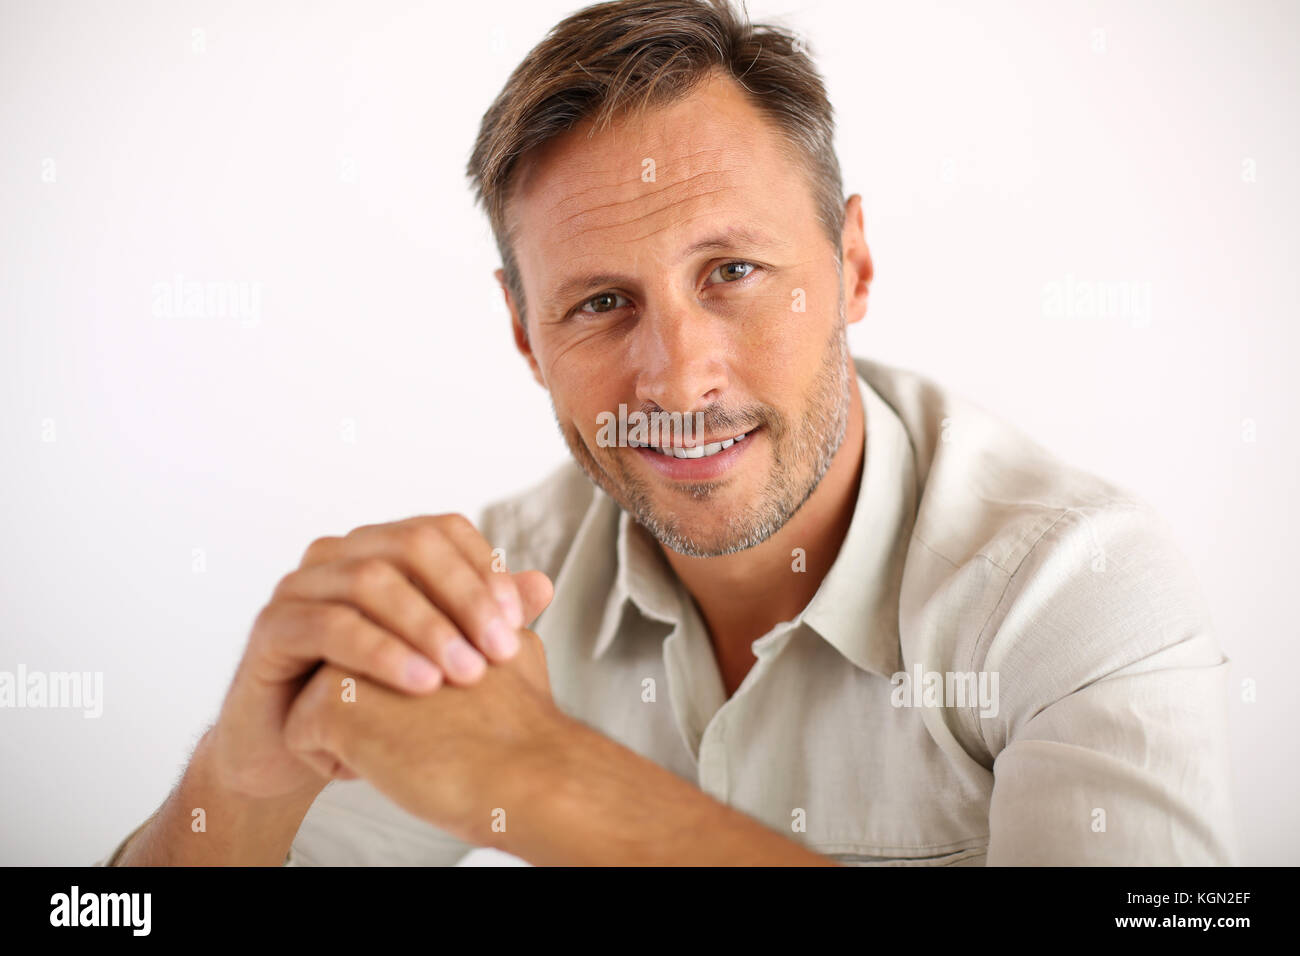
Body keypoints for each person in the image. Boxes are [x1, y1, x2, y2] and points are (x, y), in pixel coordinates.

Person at [98, 0, 1236, 866]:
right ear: (523, 334)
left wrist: (544, 775)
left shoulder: (1080, 585)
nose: (677, 374)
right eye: (600, 302)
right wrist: (238, 781)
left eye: (732, 271)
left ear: (852, 267)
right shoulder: (489, 599)